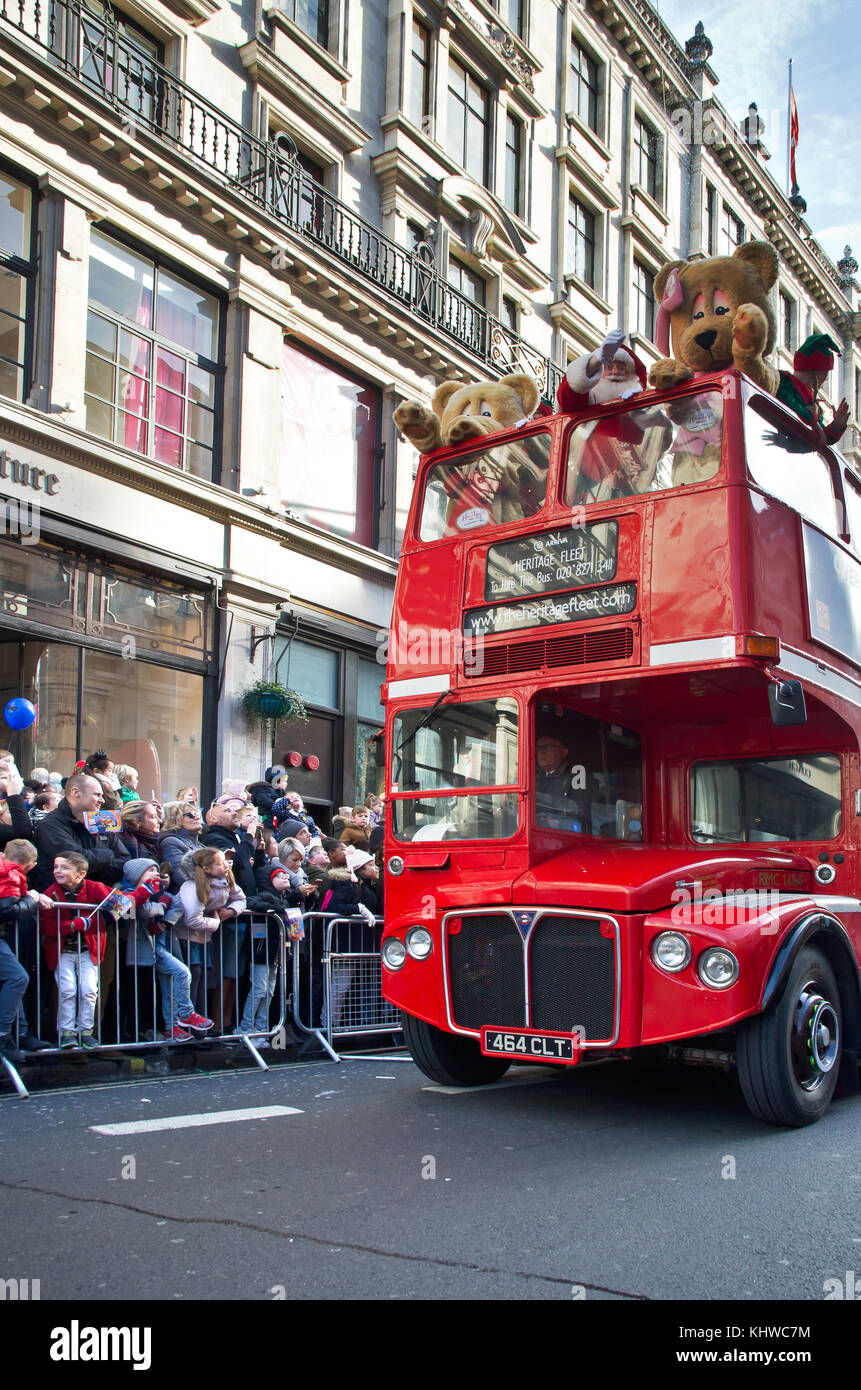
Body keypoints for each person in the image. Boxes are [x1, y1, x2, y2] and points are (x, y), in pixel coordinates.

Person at [120, 857, 213, 1043]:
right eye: (150, 871)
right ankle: (186, 1013)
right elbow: (144, 910)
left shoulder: (161, 892)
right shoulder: (129, 893)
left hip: (164, 944)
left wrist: (164, 923)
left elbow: (178, 904)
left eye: (157, 870)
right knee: (182, 973)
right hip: (147, 946)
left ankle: (171, 1027)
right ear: (137, 876)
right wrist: (162, 905)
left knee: (169, 986)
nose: (156, 874)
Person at [40, 851, 117, 1048]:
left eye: (64, 867)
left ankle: (86, 1030)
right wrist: (71, 926)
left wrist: (143, 891)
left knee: (89, 990)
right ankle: (66, 1031)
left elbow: (122, 902)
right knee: (67, 990)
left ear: (80, 874)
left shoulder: (94, 888)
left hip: (87, 951)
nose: (58, 871)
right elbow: (46, 927)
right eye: (56, 867)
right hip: (63, 951)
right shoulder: (51, 893)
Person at [174, 848, 245, 1022]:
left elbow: (241, 899)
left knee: (204, 977)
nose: (226, 866)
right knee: (193, 976)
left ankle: (201, 1021)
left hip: (204, 937)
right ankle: (185, 1019)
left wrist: (229, 912)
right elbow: (192, 919)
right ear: (206, 868)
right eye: (220, 864)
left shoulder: (225, 881)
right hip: (186, 937)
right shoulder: (192, 886)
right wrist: (216, 922)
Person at [0, 840, 53, 1057]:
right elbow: (7, 910)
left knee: (15, 979)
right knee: (18, 978)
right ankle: (4, 1035)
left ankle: (19, 1034)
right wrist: (31, 898)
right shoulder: (11, 872)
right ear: (30, 866)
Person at [33, 773, 129, 890]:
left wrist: (95, 870)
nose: (102, 800)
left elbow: (124, 859)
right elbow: (76, 862)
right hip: (63, 900)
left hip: (100, 896)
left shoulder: (102, 819)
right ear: (75, 793)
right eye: (97, 795)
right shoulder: (49, 825)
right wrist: (108, 855)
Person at [535, 729, 592, 831]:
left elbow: (583, 810)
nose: (541, 753)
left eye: (547, 748)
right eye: (538, 748)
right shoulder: (532, 777)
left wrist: (558, 821)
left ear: (563, 752)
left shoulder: (576, 774)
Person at [157, 801, 204, 891]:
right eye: (192, 814)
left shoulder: (198, 843)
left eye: (198, 813)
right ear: (175, 818)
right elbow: (182, 878)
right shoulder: (170, 842)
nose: (198, 817)